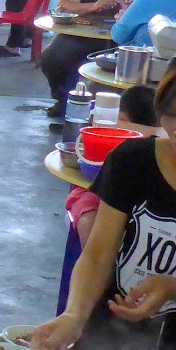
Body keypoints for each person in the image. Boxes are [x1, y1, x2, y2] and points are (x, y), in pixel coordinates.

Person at [33, 47, 176, 350]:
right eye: (169, 113)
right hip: (105, 349)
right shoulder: (133, 161)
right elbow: (98, 255)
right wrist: (75, 314)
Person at [39, 0, 160, 118]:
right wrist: (92, 6)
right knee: (53, 57)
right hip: (82, 34)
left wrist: (131, 10)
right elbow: (66, 3)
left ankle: (122, 114)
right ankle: (65, 100)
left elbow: (155, 14)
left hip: (125, 39)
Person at [64, 84, 158, 250]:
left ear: (121, 118)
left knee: (85, 207)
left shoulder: (117, 141)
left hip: (112, 202)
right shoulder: (165, 139)